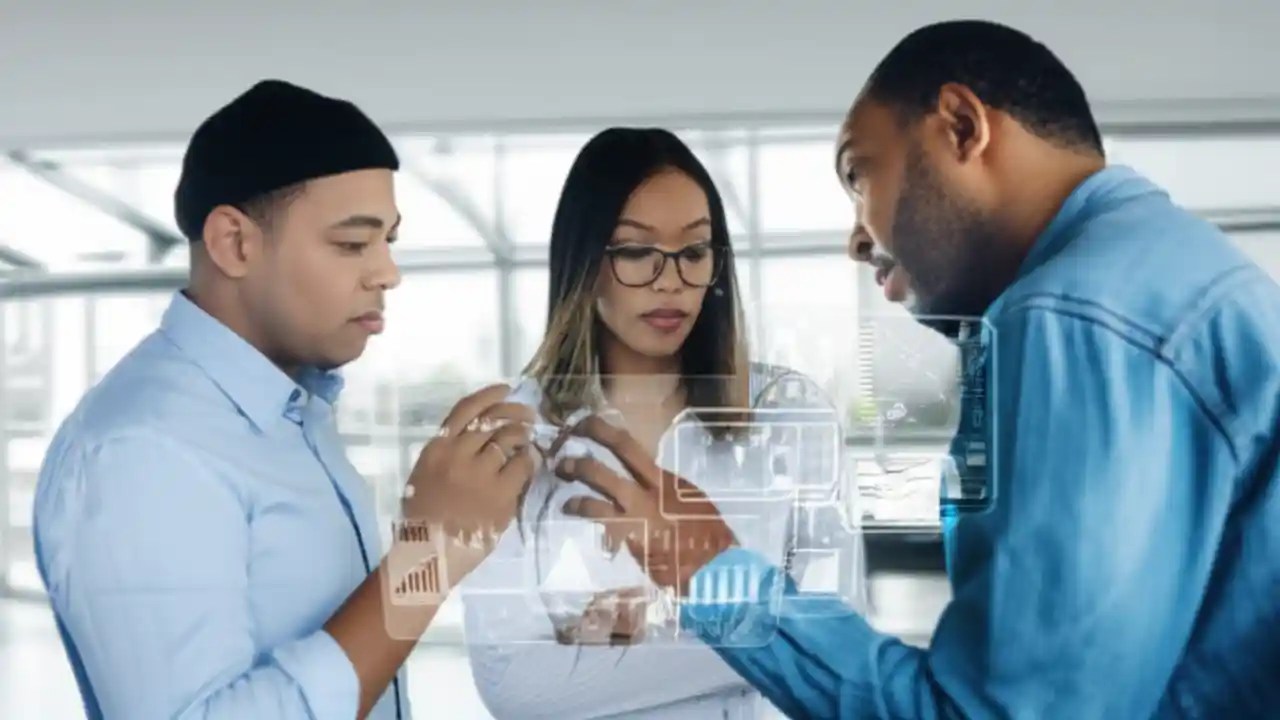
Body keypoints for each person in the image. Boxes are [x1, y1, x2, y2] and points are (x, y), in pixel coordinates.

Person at [551, 21, 1280, 720]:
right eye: (635, 251)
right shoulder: (1167, 269)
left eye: (857, 175)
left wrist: (706, 569)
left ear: (961, 126)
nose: (855, 238)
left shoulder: (1071, 316)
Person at [32, 79, 537, 720]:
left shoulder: (294, 416)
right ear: (235, 244)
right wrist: (430, 555)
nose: (387, 272)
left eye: (389, 241)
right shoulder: (142, 448)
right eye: (353, 243)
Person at [460, 127, 868, 719]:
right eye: (634, 252)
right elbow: (518, 689)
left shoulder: (788, 411)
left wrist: (633, 638)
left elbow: (839, 644)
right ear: (584, 263)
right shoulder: (515, 433)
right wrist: (766, 629)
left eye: (694, 251)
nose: (670, 278)